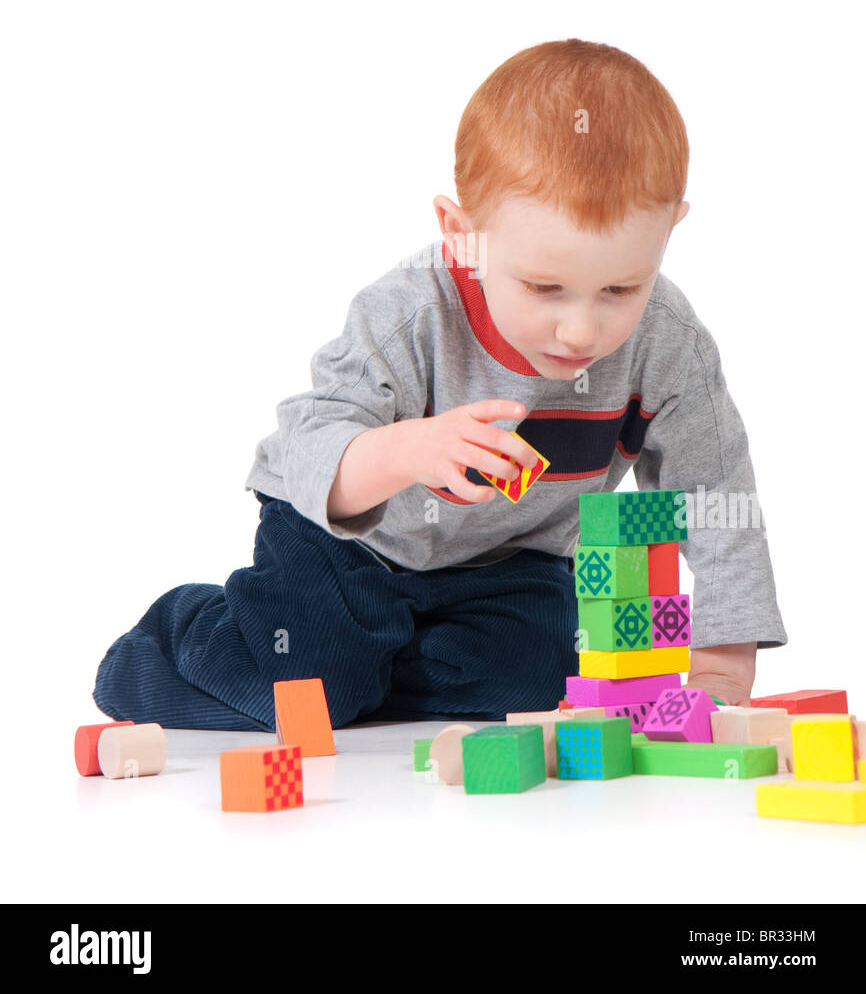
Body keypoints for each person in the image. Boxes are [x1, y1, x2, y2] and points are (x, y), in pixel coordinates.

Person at [92, 37, 786, 731]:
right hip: (348, 546)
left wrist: (723, 660)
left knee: (542, 685)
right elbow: (310, 446)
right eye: (545, 286)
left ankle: (373, 668)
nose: (580, 331)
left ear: (670, 231)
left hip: (503, 563)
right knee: (314, 684)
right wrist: (410, 451)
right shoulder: (409, 312)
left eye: (620, 287)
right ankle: (178, 641)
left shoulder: (670, 342)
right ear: (462, 236)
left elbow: (714, 488)